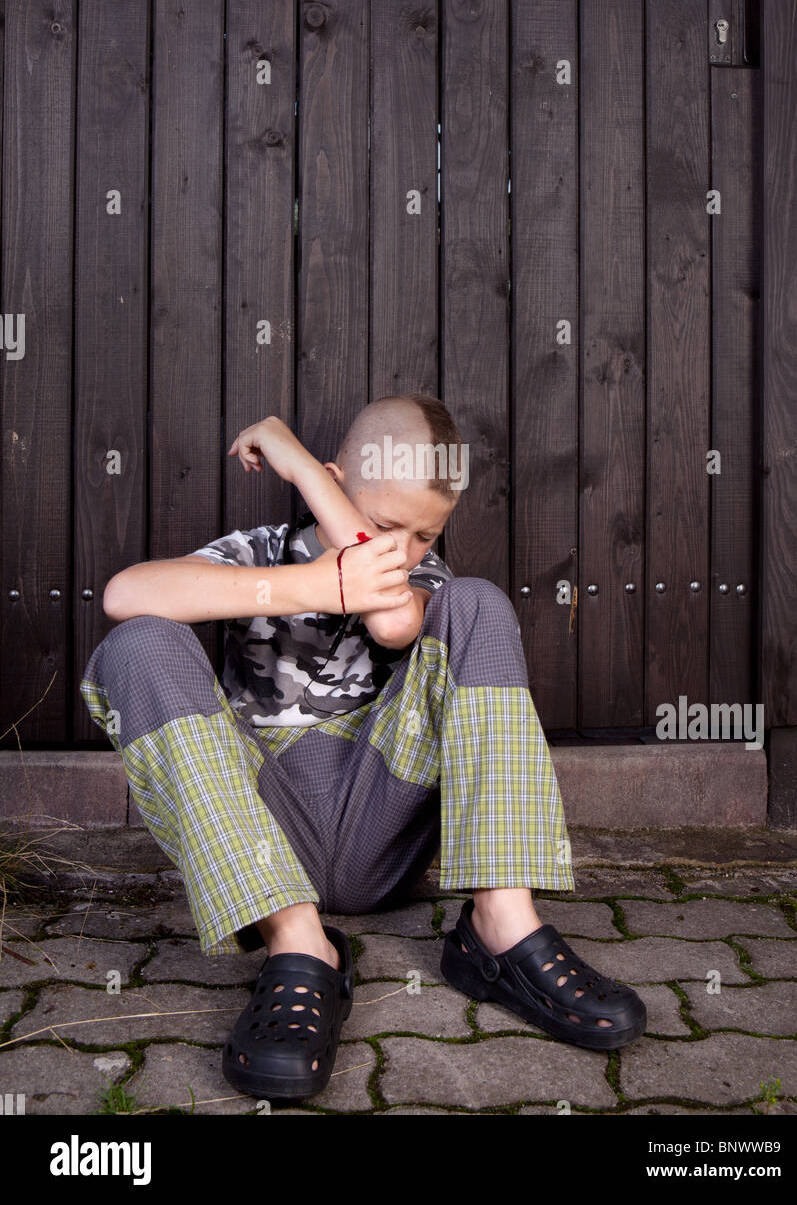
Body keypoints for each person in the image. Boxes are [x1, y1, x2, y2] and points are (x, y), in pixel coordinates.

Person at [80, 393, 646, 1104]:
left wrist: (302, 470)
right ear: (339, 484)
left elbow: (393, 623)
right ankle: (299, 945)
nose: (402, 552)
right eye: (383, 526)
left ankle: (500, 924)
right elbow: (124, 595)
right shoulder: (257, 554)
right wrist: (308, 583)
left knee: (478, 602)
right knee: (139, 640)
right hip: (263, 842)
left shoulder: (417, 581)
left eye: (423, 537)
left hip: (375, 823)